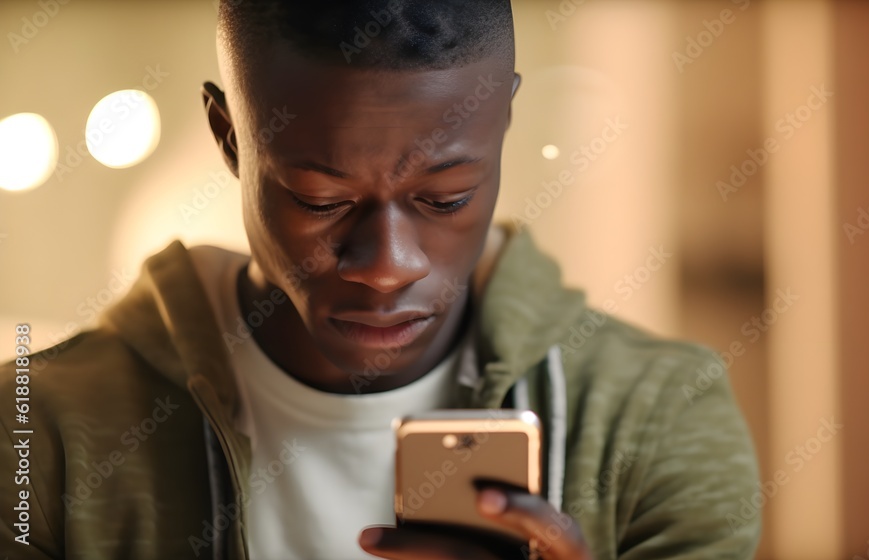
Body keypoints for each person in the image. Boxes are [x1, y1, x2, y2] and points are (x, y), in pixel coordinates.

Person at [1, 1, 761, 558]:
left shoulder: (660, 414)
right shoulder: (36, 430)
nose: (389, 264)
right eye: (321, 200)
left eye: (446, 198)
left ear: (503, 123)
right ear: (230, 137)